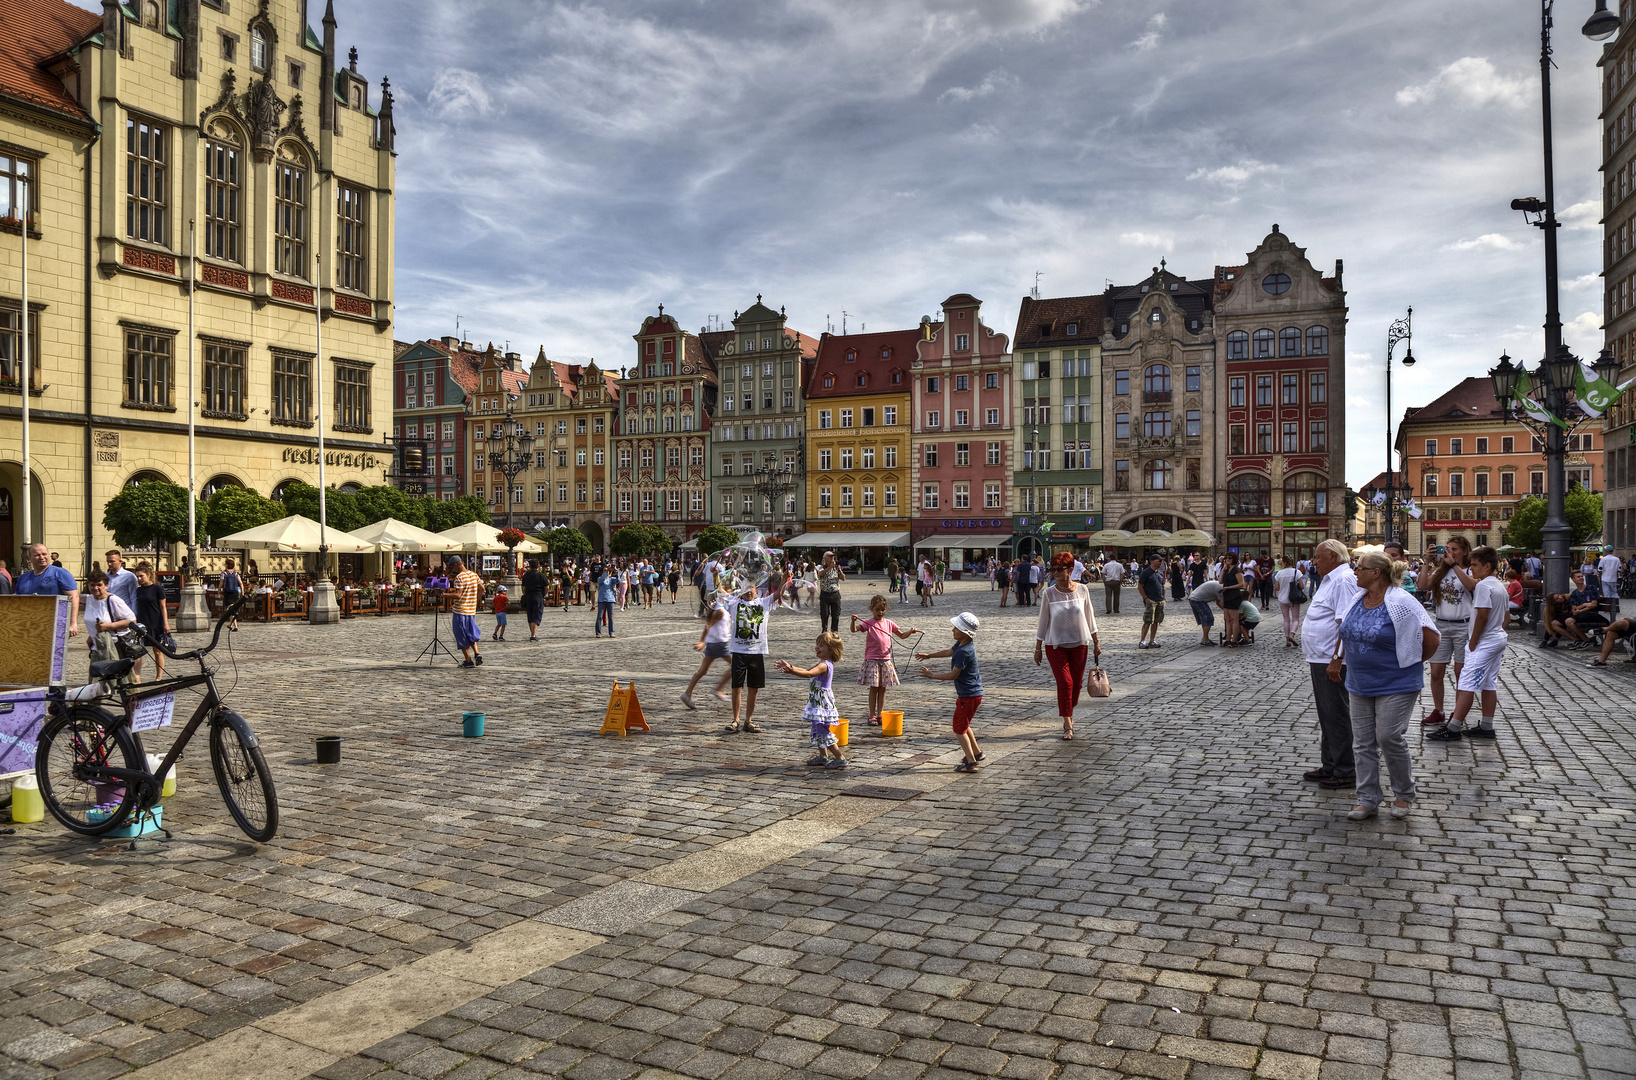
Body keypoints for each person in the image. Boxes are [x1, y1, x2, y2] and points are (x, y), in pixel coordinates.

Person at [1329, 552, 1438, 821]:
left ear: (1376, 572)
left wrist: (1410, 660)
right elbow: (1344, 631)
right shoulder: (1357, 599)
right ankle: (1367, 798)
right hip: (1359, 681)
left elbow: (1431, 637)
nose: (1355, 572)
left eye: (1360, 568)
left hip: (1397, 682)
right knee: (1363, 743)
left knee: (1388, 737)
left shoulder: (1402, 601)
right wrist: (1336, 659)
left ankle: (1403, 793)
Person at [1429, 546, 1508, 742]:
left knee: (1466, 683)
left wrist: (1473, 642)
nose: (1471, 569)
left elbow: (1482, 615)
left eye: (1474, 565)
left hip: (1485, 641)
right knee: (1489, 683)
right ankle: (1487, 725)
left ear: (1487, 566)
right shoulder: (1498, 585)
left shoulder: (1483, 586)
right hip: (1497, 637)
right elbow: (1506, 616)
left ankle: (1454, 727)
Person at [1302, 539, 1362, 790]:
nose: (1315, 562)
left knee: (1336, 714)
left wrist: (1337, 659)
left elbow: (1346, 623)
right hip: (1320, 657)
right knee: (1327, 714)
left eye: (1318, 557)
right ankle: (1330, 763)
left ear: (1334, 557)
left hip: (1332, 658)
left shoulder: (1343, 580)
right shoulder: (1331, 579)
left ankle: (1345, 769)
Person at [1034, 552, 1101, 740]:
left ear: (1070, 570)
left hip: (1079, 643)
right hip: (1055, 645)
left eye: (1059, 569)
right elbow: (1043, 621)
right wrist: (1038, 647)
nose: (1055, 572)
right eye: (1052, 569)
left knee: (1077, 684)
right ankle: (1067, 722)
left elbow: (1090, 616)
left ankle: (1068, 711)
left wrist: (1096, 641)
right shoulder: (1049, 593)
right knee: (1065, 682)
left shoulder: (1082, 590)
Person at [916, 612, 985, 773]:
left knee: (959, 729)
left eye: (956, 628)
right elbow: (949, 651)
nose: (952, 630)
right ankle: (977, 752)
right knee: (965, 724)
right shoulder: (963, 645)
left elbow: (954, 675)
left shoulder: (963, 652)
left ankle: (971, 762)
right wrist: (929, 656)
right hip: (974, 693)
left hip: (968, 696)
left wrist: (933, 676)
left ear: (965, 633)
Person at [1418, 537, 1474, 729]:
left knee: (1461, 673)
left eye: (1455, 549)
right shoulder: (1441, 572)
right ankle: (1438, 710)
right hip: (1442, 625)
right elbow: (1422, 585)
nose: (1449, 553)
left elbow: (1472, 586)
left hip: (1463, 626)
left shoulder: (1468, 570)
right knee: (1436, 672)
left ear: (1465, 551)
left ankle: (1456, 713)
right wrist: (1426, 561)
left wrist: (1455, 565)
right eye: (1447, 549)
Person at [720, 574, 785, 734]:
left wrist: (785, 580)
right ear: (740, 591)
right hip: (739, 652)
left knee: (753, 688)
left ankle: (748, 720)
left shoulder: (763, 603)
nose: (749, 591)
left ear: (757, 590)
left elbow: (779, 594)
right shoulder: (734, 604)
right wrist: (716, 576)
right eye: (745, 589)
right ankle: (736, 719)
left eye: (752, 588)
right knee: (736, 686)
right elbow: (720, 591)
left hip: (757, 652)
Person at [776, 632, 847, 770]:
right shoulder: (821, 663)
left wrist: (791, 671)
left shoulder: (825, 665)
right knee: (817, 727)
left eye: (821, 645)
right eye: (817, 644)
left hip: (822, 703)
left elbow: (809, 674)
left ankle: (840, 758)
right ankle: (823, 756)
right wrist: (791, 667)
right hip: (818, 702)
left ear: (831, 650)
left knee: (823, 730)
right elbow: (806, 670)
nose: (817, 647)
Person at [851, 594, 919, 727]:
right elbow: (854, 630)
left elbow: (901, 636)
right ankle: (871, 714)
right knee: (874, 688)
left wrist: (910, 632)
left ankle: (880, 713)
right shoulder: (868, 623)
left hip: (885, 660)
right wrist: (853, 621)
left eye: (882, 610)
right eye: (877, 610)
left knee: (882, 689)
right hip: (872, 660)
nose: (880, 612)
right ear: (872, 609)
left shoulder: (889, 623)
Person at [16, 542, 80, 636]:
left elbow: (74, 597)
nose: (42, 557)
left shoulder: (61, 573)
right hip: (29, 626)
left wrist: (72, 623)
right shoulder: (23, 578)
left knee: (54, 651)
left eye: (44, 554)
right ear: (29, 557)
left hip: (56, 625)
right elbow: (18, 603)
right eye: (37, 555)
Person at [682, 600, 733, 707]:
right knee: (736, 666)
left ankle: (687, 693)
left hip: (713, 643)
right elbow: (708, 626)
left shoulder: (721, 608)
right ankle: (718, 688)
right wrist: (702, 641)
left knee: (702, 671)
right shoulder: (720, 611)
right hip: (720, 644)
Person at [81, 570, 136, 664]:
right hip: (97, 646)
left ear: (106, 586)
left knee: (114, 677)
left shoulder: (113, 600)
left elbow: (132, 621)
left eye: (99, 585)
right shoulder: (90, 599)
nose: (95, 588)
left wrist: (109, 626)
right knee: (96, 676)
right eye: (92, 585)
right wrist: (91, 635)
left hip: (114, 647)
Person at [132, 562, 172, 682]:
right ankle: (136, 676)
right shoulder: (138, 590)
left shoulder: (157, 589)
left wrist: (165, 623)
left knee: (157, 651)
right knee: (138, 651)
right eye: (137, 576)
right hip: (142, 623)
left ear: (148, 575)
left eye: (141, 576)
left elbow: (163, 607)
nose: (139, 579)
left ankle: (159, 676)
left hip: (155, 622)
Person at [446, 557, 484, 668]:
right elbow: (482, 588)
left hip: (460, 611)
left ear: (457, 564)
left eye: (452, 566)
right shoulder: (474, 575)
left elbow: (458, 595)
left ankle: (468, 660)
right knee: (471, 633)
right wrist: (476, 600)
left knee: (461, 635)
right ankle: (477, 653)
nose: (452, 569)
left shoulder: (459, 577)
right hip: (471, 610)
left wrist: (444, 595)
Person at [1564, 570, 1607, 646]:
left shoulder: (1591, 588)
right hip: (1581, 615)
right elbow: (1574, 610)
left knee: (1569, 621)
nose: (1581, 578)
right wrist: (1584, 605)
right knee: (1568, 621)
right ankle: (1586, 639)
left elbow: (1593, 605)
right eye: (1578, 577)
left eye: (1581, 576)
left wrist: (1579, 610)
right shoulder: (1574, 593)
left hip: (1592, 614)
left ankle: (1586, 640)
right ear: (1574, 580)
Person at [1136, 553, 1166, 649]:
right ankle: (1142, 641)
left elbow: (1162, 586)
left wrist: (1164, 598)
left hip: (1160, 600)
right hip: (1151, 600)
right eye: (1159, 561)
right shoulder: (1146, 572)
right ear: (1152, 561)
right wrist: (1145, 598)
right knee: (1148, 620)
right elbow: (1140, 586)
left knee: (1156, 621)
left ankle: (1152, 640)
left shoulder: (1159, 573)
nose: (1161, 562)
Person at [1274, 555, 1303, 647]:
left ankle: (1287, 640)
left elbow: (1276, 588)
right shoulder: (1296, 572)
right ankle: (1292, 634)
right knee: (1295, 619)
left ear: (1283, 563)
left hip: (1282, 599)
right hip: (1293, 598)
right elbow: (1302, 586)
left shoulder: (1279, 573)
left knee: (1286, 619)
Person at [1219, 552, 1247, 647]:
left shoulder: (1237, 570)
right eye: (1226, 558)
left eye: (1230, 558)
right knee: (1227, 619)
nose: (1227, 559)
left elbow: (1242, 584)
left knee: (1234, 619)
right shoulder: (1227, 570)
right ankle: (1227, 639)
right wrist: (1223, 569)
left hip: (1234, 595)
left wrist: (1229, 587)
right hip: (1226, 595)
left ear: (1234, 559)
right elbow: (1220, 581)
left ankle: (1234, 640)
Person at [817, 551, 845, 634]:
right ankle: (824, 630)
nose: (832, 558)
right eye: (830, 556)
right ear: (825, 558)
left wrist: (839, 569)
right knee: (824, 614)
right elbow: (820, 574)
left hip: (835, 593)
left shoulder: (836, 568)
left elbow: (843, 578)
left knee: (836, 614)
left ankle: (834, 631)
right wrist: (829, 567)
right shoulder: (821, 567)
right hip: (825, 594)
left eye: (833, 556)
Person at [1187, 577, 1220, 646]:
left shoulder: (1218, 584)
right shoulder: (1220, 588)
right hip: (1197, 599)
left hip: (1194, 598)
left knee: (1205, 618)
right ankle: (1205, 639)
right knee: (1208, 618)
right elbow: (1220, 602)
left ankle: (1206, 638)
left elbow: (1218, 601)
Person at [104, 549, 138, 614]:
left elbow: (134, 598)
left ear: (120, 561)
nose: (109, 564)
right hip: (108, 611)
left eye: (112, 561)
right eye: (108, 561)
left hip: (123, 612)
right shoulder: (105, 577)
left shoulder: (129, 576)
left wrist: (134, 615)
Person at [521, 561, 547, 641]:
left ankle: (532, 633)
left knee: (530, 615)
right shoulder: (541, 575)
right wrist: (543, 595)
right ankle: (533, 635)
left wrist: (525, 594)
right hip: (538, 596)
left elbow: (523, 587)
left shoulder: (526, 575)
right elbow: (547, 587)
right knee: (536, 616)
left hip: (528, 596)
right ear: (538, 566)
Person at [594, 563, 618, 638]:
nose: (607, 572)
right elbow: (602, 580)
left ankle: (611, 632)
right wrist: (606, 573)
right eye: (604, 571)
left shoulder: (611, 579)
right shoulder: (599, 579)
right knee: (599, 616)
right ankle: (598, 632)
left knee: (610, 617)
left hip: (610, 599)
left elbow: (618, 580)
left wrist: (616, 573)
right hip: (602, 599)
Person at [220, 557, 243, 630]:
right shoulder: (236, 573)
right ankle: (231, 625)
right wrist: (242, 591)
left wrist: (219, 590)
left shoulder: (224, 573)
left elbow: (221, 583)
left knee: (231, 609)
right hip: (235, 592)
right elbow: (241, 583)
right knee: (232, 609)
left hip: (228, 592)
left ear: (226, 565)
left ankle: (235, 626)